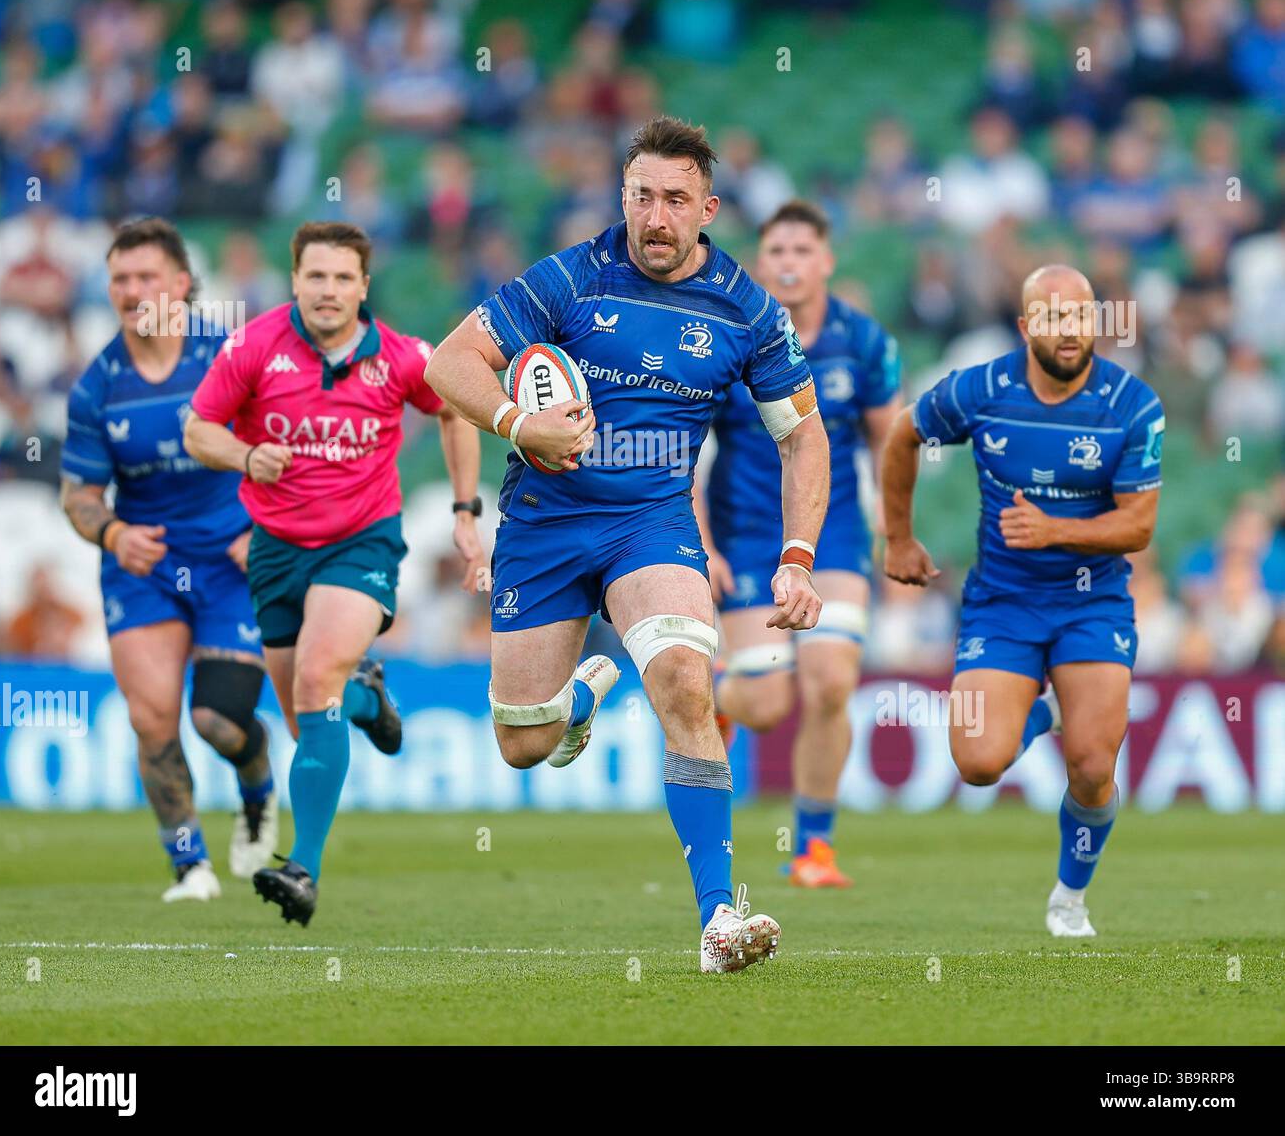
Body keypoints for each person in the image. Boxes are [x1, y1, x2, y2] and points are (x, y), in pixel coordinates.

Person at [424, 116, 830, 973]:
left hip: (651, 523)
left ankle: (720, 915)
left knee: (687, 682)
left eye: (674, 200)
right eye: (641, 195)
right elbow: (450, 362)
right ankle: (574, 704)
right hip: (543, 524)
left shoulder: (747, 308)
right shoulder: (571, 276)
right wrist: (518, 420)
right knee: (522, 742)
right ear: (623, 196)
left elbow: (803, 434)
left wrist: (797, 555)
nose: (654, 215)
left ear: (707, 207)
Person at [185, 221, 483, 924]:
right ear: (295, 280)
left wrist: (467, 509)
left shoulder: (403, 357)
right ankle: (364, 699)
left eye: (343, 278)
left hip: (362, 543)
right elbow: (199, 429)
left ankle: (303, 869)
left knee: (316, 675)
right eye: (316, 276)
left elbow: (458, 411)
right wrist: (244, 457)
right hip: (276, 549)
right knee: (304, 716)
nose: (328, 290)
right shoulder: (254, 345)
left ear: (364, 287)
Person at [881, 265, 1164, 937]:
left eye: (1080, 317)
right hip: (1002, 603)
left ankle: (1069, 895)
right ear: (1026, 326)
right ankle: (1044, 710)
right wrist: (898, 539)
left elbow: (1140, 526)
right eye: (1053, 317)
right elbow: (902, 434)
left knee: (1093, 767)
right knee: (978, 763)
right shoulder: (983, 389)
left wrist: (1057, 529)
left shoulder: (1131, 404)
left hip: (1092, 603)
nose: (1069, 331)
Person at [61, 217, 276, 903]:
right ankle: (189, 863)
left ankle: (256, 778)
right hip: (146, 564)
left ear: (180, 285)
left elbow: (285, 445)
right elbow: (78, 494)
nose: (131, 290)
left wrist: (264, 528)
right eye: (120, 278)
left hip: (231, 559)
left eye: (146, 276)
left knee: (217, 723)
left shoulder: (232, 354)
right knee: (152, 717)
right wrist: (112, 533)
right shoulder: (98, 386)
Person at [694, 200, 901, 888]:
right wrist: (704, 546)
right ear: (760, 262)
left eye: (801, 250)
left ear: (826, 261)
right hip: (745, 532)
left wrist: (897, 533)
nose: (788, 262)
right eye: (775, 250)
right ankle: (728, 696)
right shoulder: (727, 335)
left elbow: (888, 443)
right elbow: (683, 449)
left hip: (833, 529)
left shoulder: (862, 341)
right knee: (769, 700)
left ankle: (813, 847)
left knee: (832, 681)